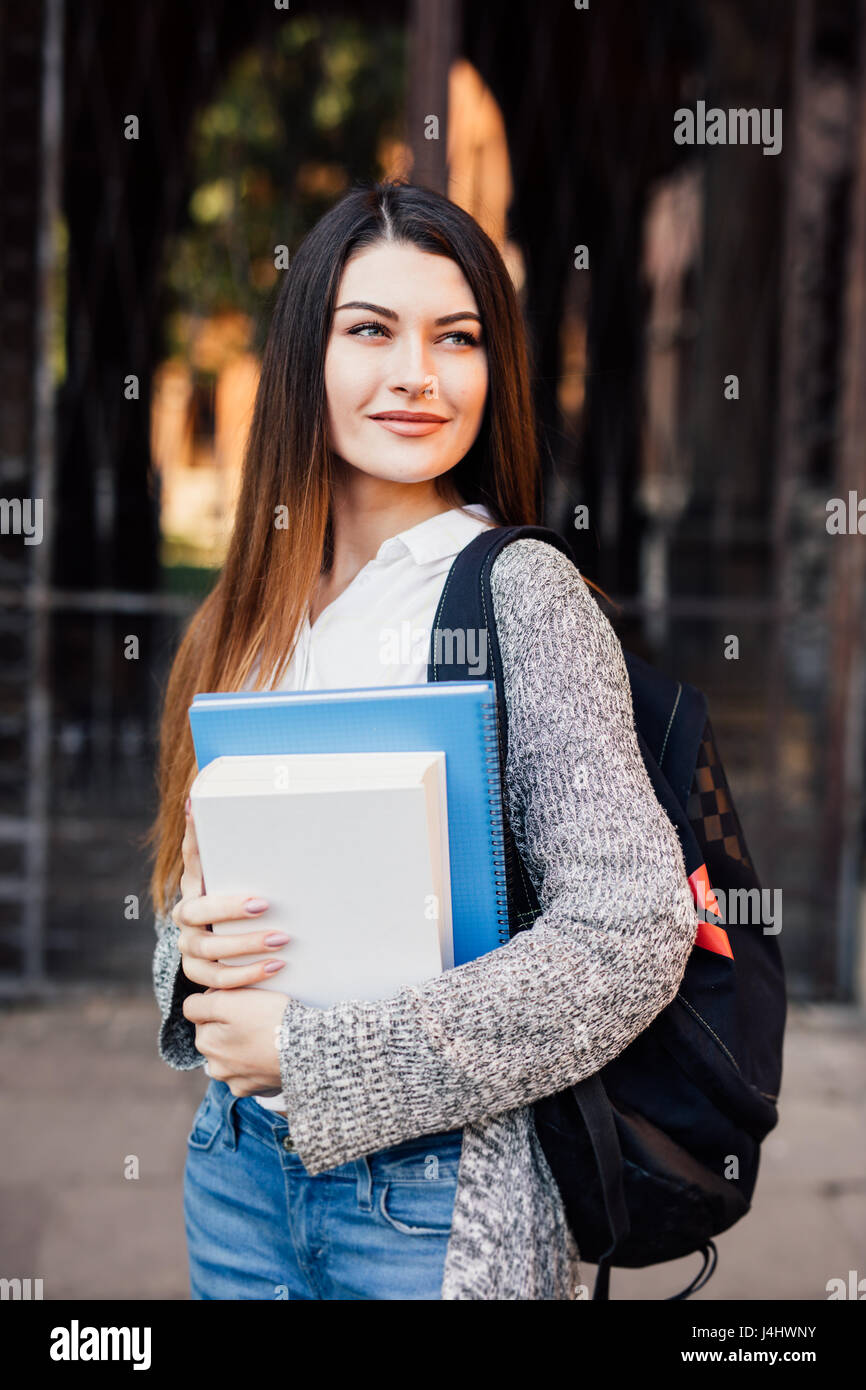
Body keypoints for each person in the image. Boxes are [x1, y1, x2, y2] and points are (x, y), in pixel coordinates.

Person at [146, 179, 698, 1301]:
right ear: (307, 356)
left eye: (457, 337)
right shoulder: (244, 609)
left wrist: (317, 1057)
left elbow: (633, 927)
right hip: (238, 1169)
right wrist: (190, 961)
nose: (418, 376)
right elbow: (184, 890)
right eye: (369, 331)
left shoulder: (519, 594)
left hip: (430, 1200)